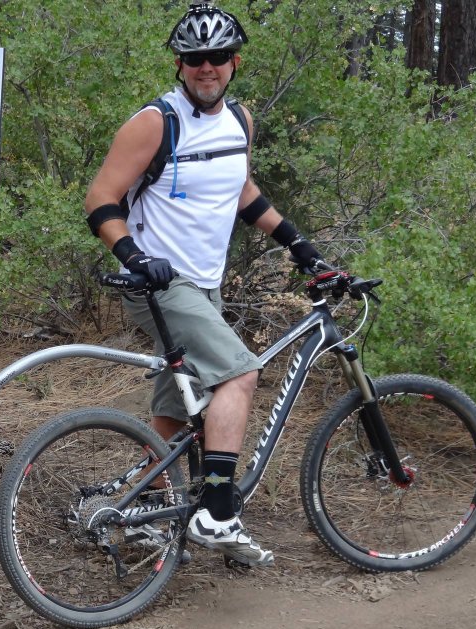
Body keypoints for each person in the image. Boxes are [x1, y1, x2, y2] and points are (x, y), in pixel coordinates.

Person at [84, 3, 323, 566]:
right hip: (160, 285)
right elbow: (100, 199)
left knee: (177, 416)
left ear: (234, 63)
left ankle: (140, 511)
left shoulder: (240, 121)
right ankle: (218, 514)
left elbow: (242, 192)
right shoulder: (154, 122)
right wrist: (134, 254)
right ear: (179, 63)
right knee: (240, 373)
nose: (206, 67)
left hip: (204, 285)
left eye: (217, 57)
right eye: (195, 58)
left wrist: (299, 245)